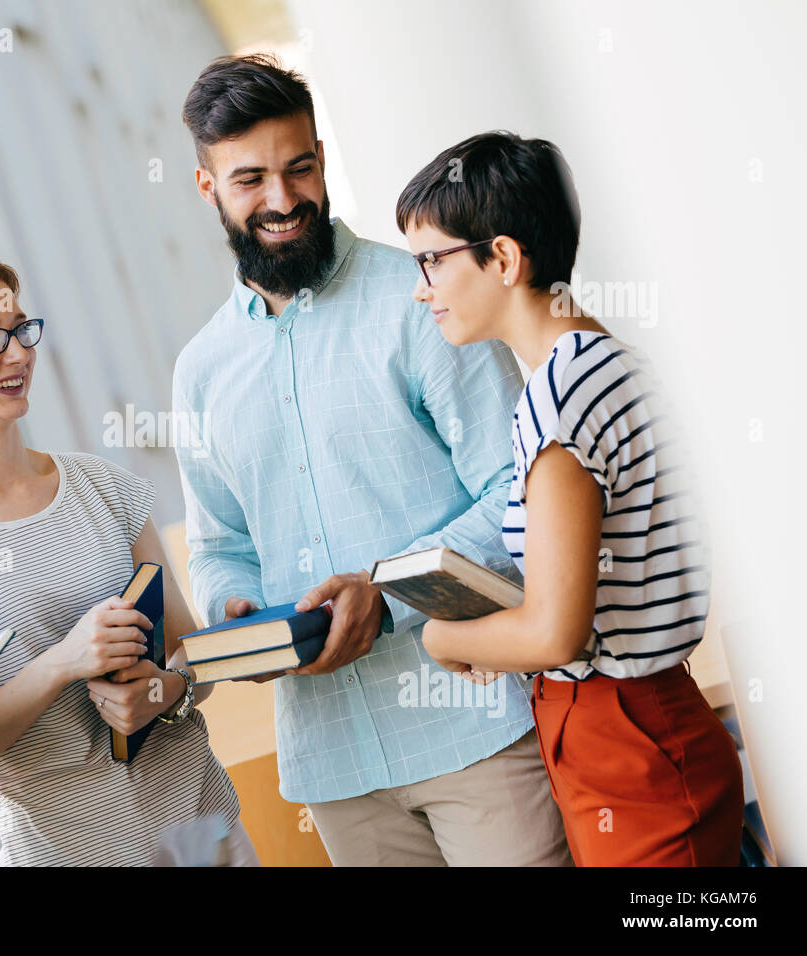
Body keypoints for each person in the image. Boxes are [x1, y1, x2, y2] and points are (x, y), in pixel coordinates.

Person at [174, 54, 572, 866]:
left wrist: (386, 596)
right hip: (335, 766)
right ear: (207, 188)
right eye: (250, 179)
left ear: (323, 159)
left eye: (300, 168)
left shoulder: (422, 301)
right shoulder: (200, 370)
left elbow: (516, 487)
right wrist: (235, 611)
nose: (283, 200)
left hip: (477, 729)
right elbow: (219, 545)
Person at [399, 131, 743, 865]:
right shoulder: (602, 361)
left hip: (631, 750)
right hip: (639, 735)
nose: (421, 287)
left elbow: (554, 633)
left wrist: (443, 638)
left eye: (432, 259)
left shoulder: (559, 401)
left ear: (503, 258)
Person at [0, 239, 251, 866]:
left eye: (20, 330)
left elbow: (190, 655)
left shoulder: (103, 487)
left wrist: (163, 691)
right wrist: (61, 663)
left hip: (208, 842)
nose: (17, 352)